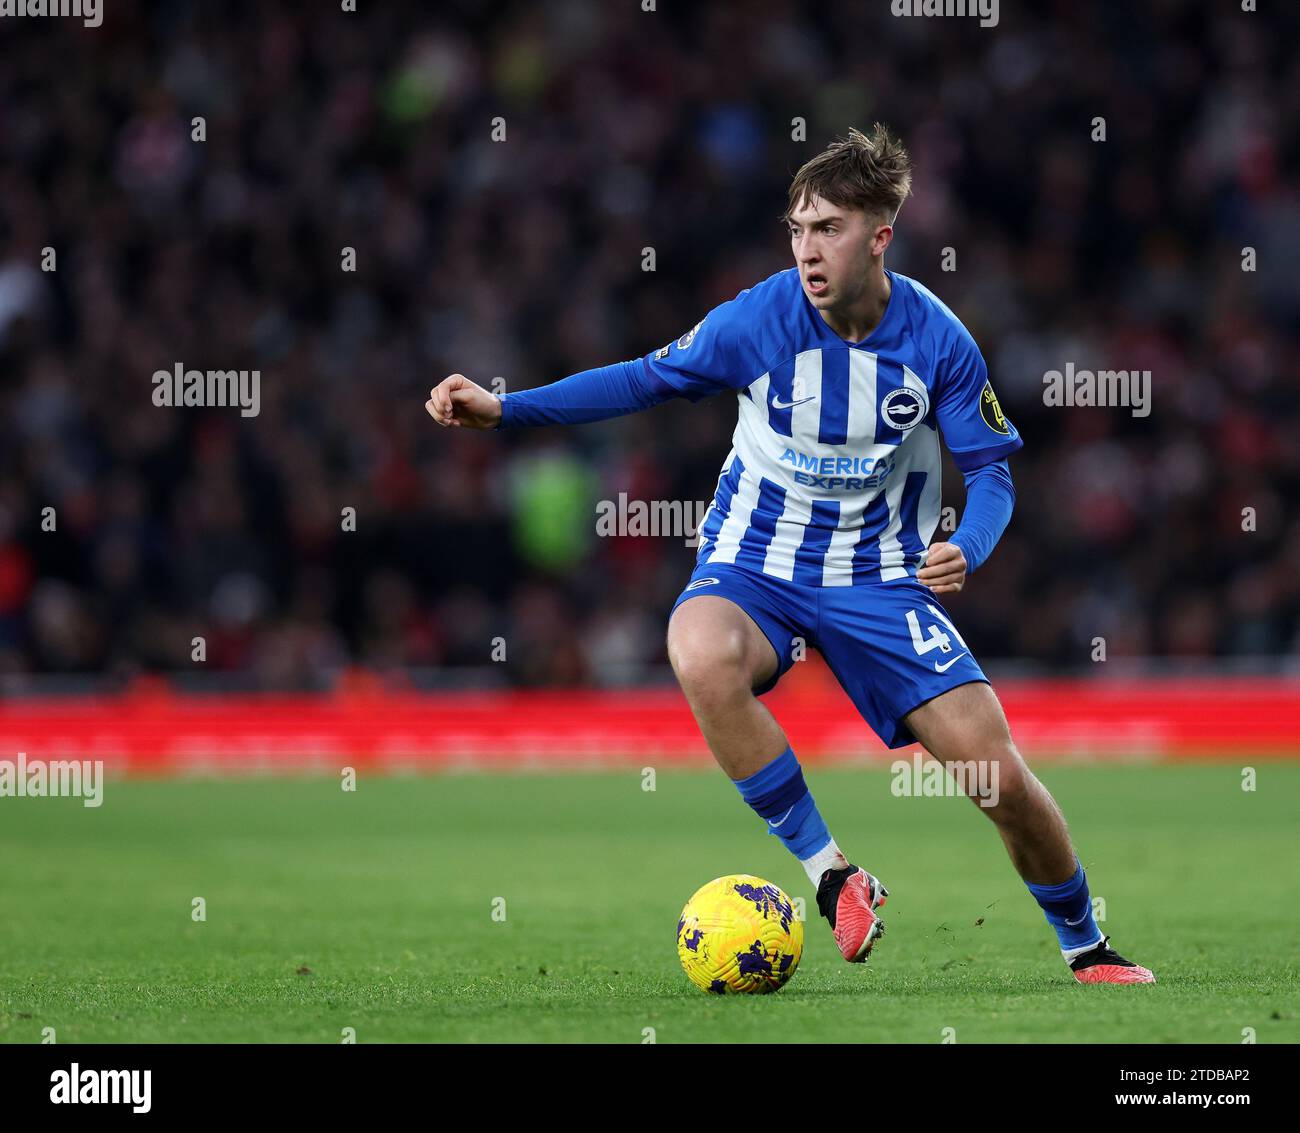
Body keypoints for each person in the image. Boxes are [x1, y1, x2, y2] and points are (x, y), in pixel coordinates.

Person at [426, 124, 1154, 985]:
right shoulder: (757, 319)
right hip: (757, 560)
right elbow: (638, 379)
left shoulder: (938, 340)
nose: (808, 250)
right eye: (799, 229)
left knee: (995, 776)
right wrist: (505, 411)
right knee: (697, 647)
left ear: (879, 237)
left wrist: (967, 543)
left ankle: (1085, 942)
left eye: (830, 229)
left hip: (881, 576)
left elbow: (992, 469)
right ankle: (833, 872)